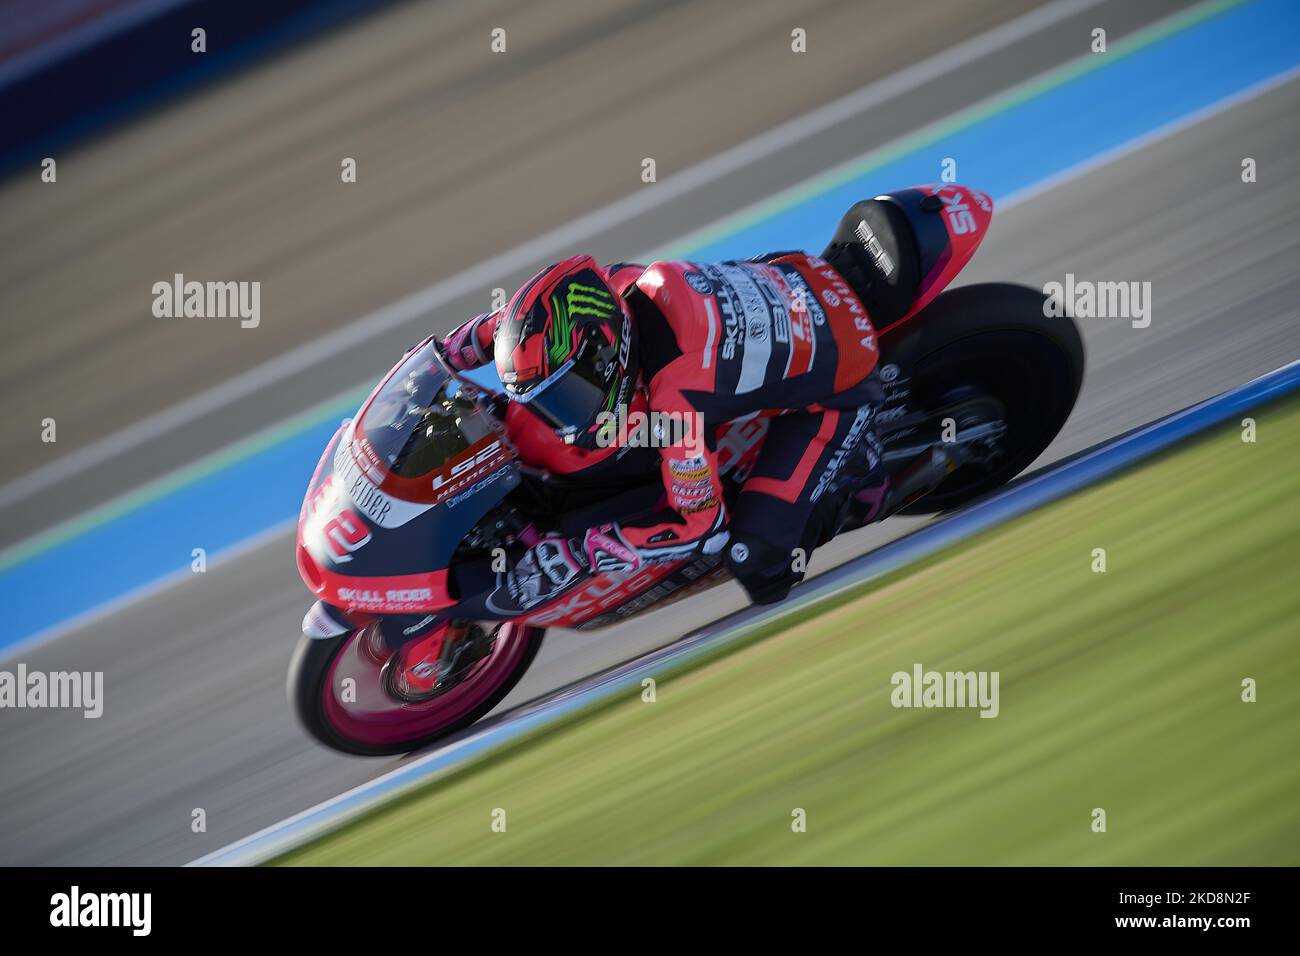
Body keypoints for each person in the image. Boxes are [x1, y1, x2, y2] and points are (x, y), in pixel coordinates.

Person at [441, 212, 906, 616]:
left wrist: (589, 551)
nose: (557, 417)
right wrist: (453, 351)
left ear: (606, 357)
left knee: (756, 562)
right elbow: (532, 321)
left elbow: (702, 528)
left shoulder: (675, 405)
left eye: (567, 396)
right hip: (797, 275)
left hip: (845, 379)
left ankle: (857, 473)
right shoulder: (617, 285)